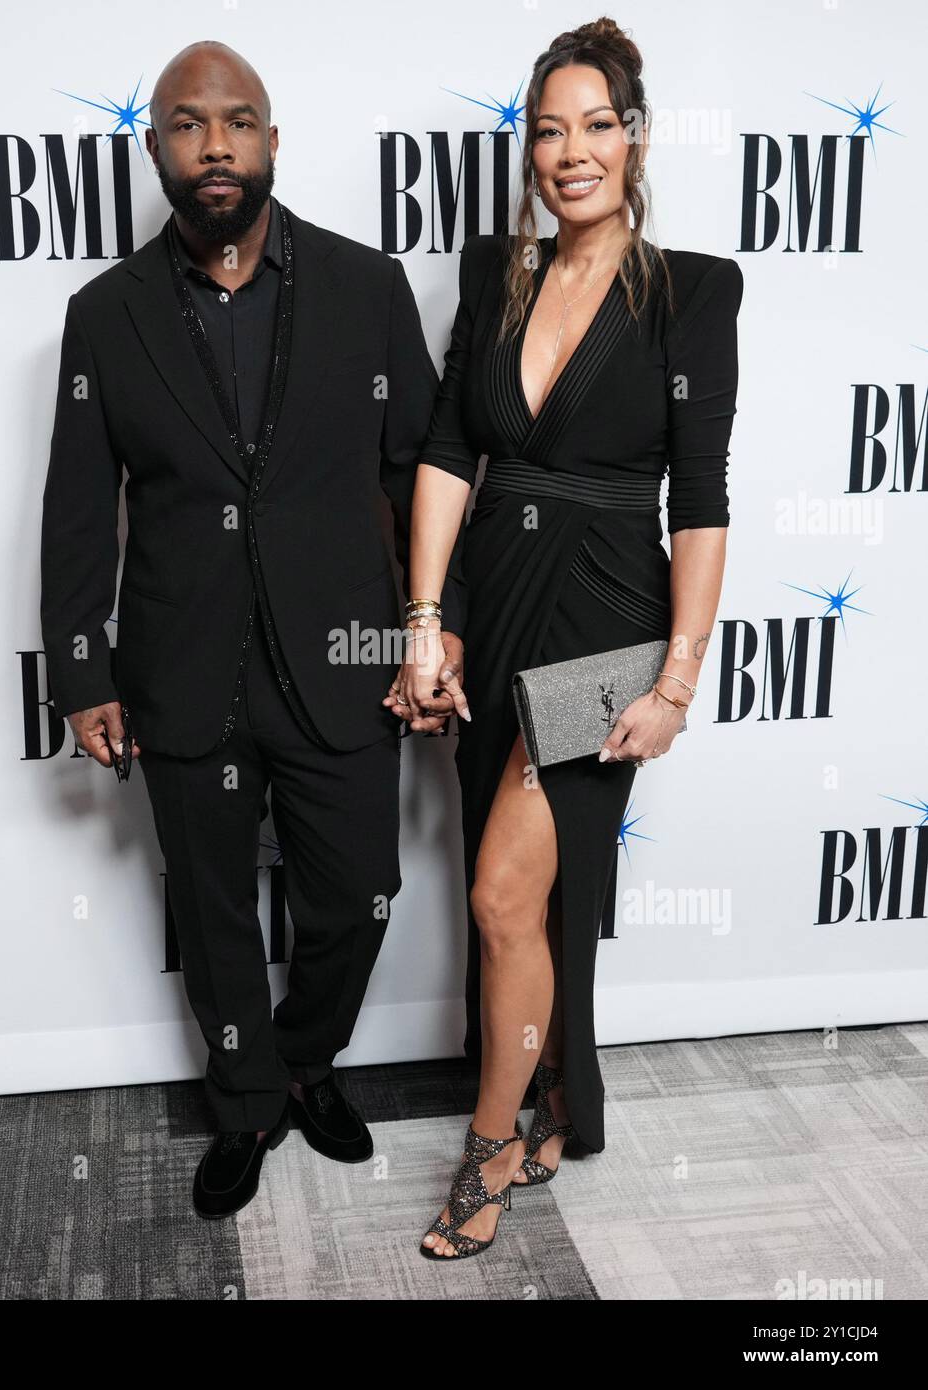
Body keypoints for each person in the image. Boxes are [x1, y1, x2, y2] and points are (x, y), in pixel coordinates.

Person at [39, 40, 467, 1219]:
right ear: (157, 149)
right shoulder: (104, 316)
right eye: (186, 124)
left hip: (348, 660)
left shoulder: (365, 287)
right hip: (185, 666)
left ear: (273, 143)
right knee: (212, 902)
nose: (214, 143)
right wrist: (82, 670)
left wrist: (439, 633)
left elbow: (421, 474)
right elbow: (80, 506)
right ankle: (243, 1098)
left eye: (237, 121)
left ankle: (307, 1060)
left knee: (358, 891)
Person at [383, 17, 744, 1258]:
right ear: (526, 146)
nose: (569, 151)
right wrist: (425, 621)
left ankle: (484, 1156)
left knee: (498, 892)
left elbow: (697, 498)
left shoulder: (691, 290)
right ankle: (554, 1110)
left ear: (634, 139)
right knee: (525, 905)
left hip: (606, 626)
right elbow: (443, 446)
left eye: (596, 125)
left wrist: (678, 676)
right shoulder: (496, 272)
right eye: (548, 129)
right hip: (489, 607)